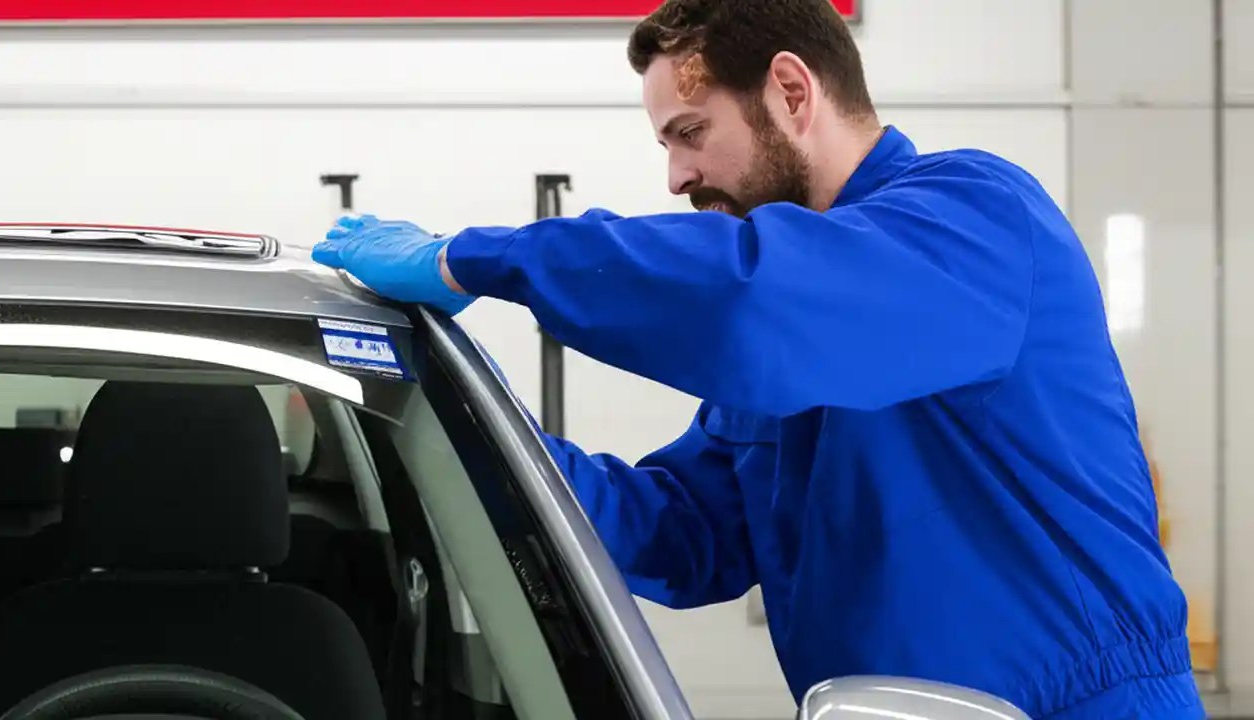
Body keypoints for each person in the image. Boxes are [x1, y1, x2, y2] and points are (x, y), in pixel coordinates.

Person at [311, 1, 1203, 717]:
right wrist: (475, 425)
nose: (675, 176)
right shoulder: (796, 323)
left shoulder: (974, 218)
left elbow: (747, 299)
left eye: (689, 132)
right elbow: (682, 531)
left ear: (790, 90)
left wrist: (472, 258)